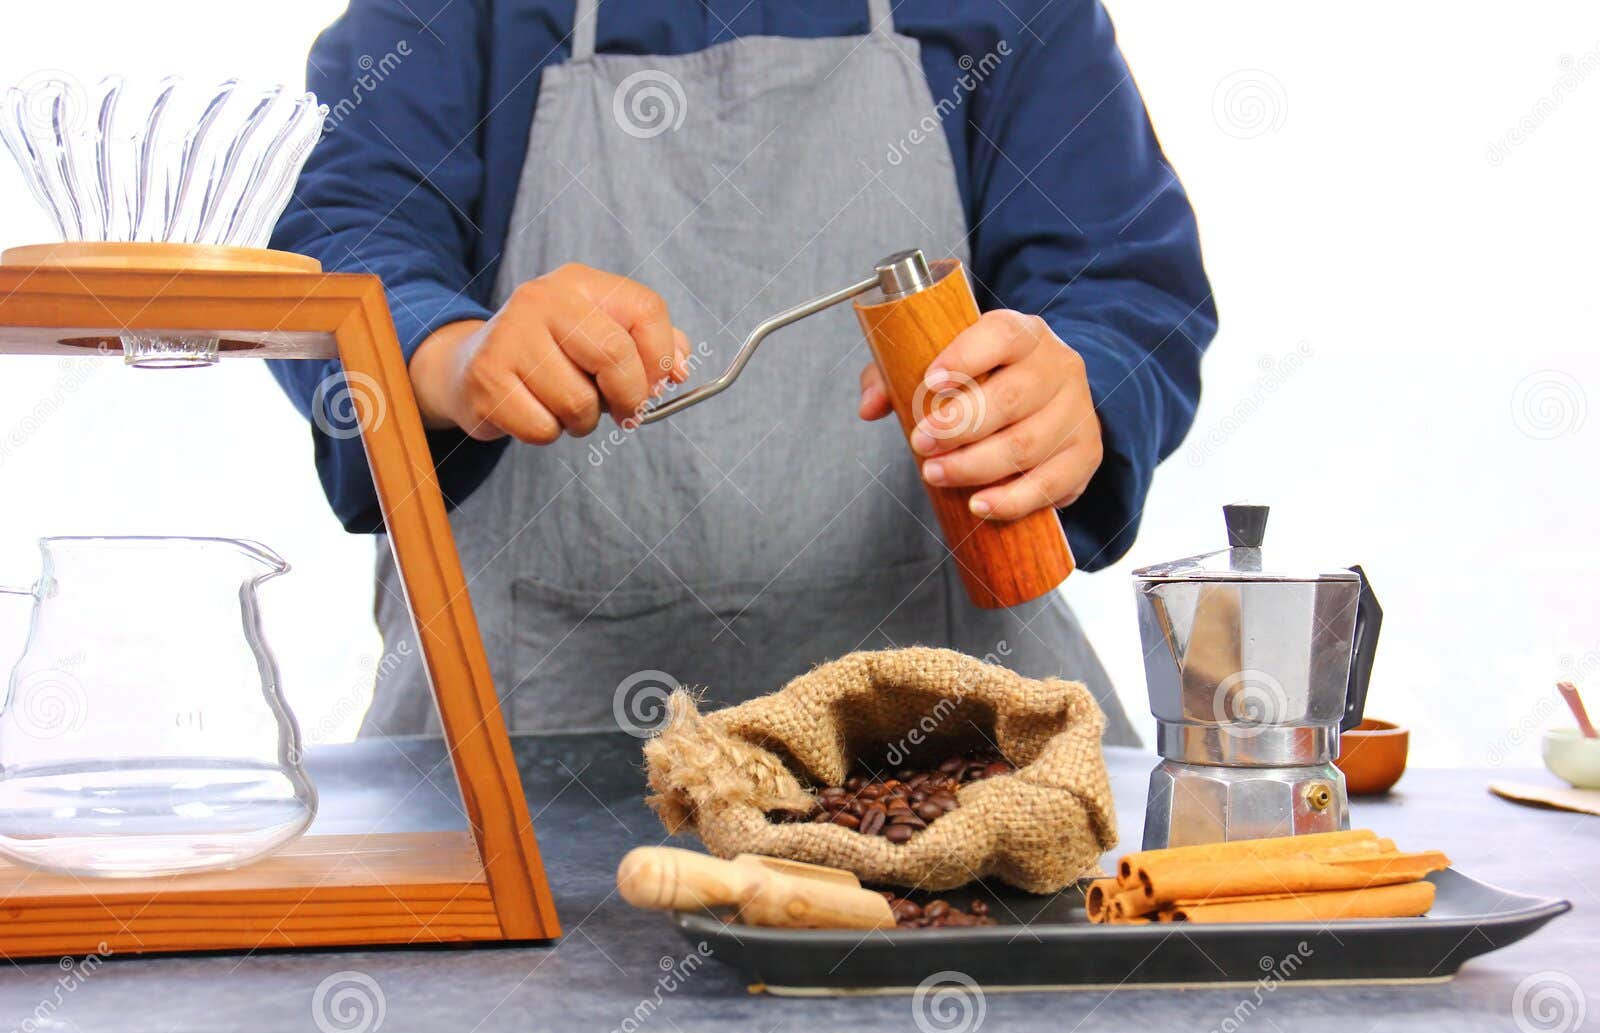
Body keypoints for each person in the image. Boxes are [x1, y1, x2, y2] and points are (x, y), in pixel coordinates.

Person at [270, 0, 1216, 743]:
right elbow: (344, 237)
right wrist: (454, 355)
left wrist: (1074, 396)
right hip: (519, 779)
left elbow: (1125, 277)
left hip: (950, 788)